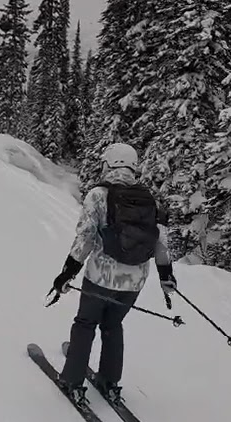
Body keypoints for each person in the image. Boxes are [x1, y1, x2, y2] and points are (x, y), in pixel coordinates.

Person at [48, 143, 177, 407]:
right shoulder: (149, 198)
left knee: (85, 324)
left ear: (109, 164)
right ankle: (109, 382)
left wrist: (66, 274)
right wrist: (167, 277)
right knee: (112, 326)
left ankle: (71, 382)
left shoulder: (98, 195)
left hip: (100, 276)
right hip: (135, 280)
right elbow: (161, 243)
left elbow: (84, 238)